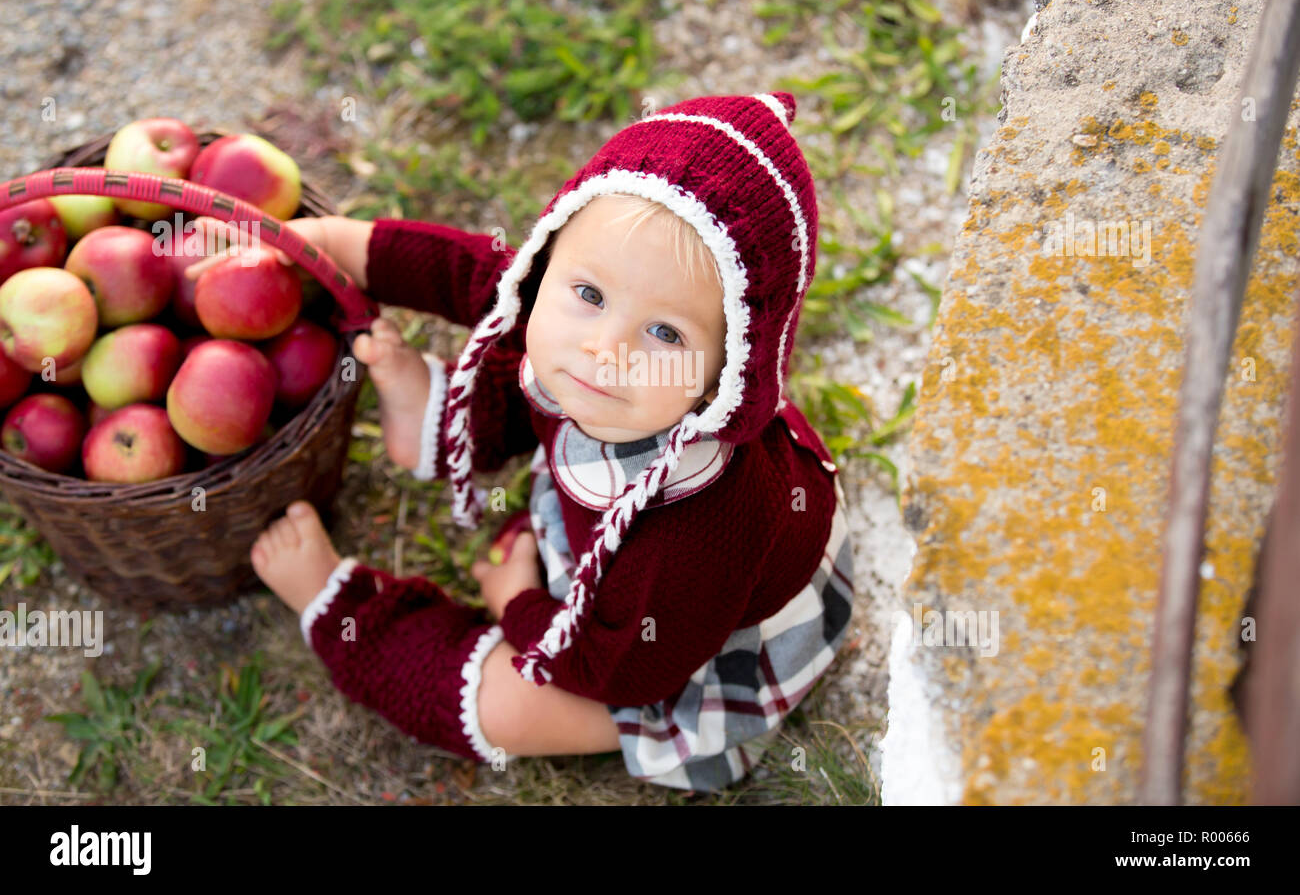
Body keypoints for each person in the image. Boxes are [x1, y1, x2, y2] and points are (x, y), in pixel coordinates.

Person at [190, 92, 856, 792]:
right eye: (590, 294)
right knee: (535, 371)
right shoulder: (608, 363)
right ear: (548, 259)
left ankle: (333, 599)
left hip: (681, 656)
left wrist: (518, 603)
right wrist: (330, 246)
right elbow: (462, 269)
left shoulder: (702, 523)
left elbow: (619, 672)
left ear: (734, 367)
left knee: (505, 706)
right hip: (622, 537)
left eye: (665, 333)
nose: (606, 348)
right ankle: (433, 408)